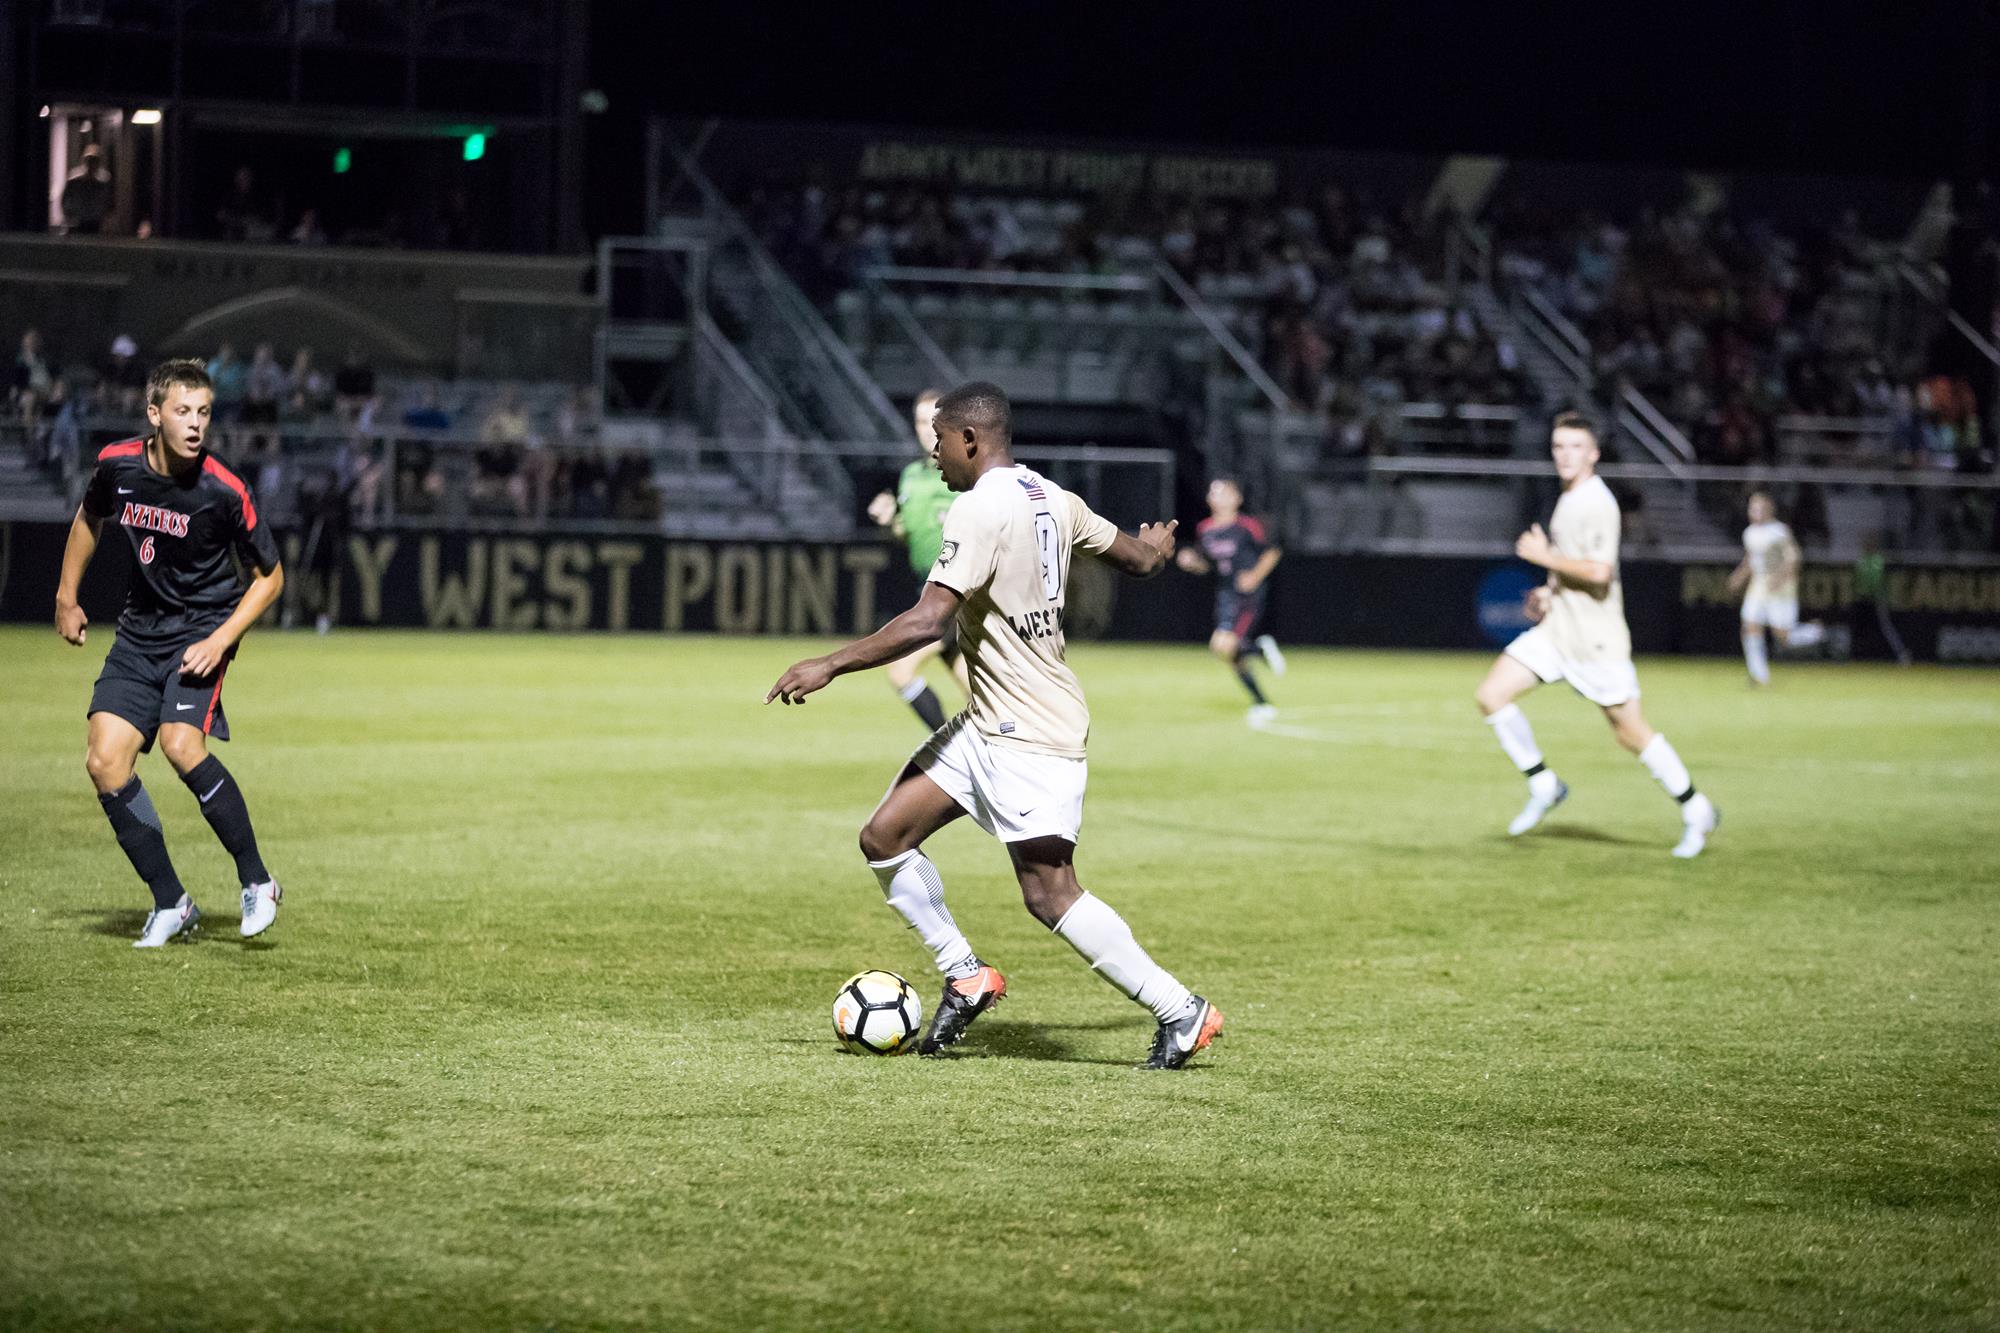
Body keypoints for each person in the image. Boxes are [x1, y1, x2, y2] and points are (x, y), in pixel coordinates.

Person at [767, 381, 1224, 1069]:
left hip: (1032, 732)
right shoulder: (1052, 496)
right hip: (988, 722)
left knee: (1049, 893)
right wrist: (1157, 550)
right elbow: (1134, 557)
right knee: (884, 836)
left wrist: (829, 663)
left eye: (941, 443)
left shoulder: (980, 509)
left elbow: (928, 619)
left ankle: (1180, 1009)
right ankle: (966, 973)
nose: (936, 456)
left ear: (971, 440)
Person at [53, 358, 288, 946]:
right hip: (139, 633)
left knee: (184, 746)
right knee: (105, 762)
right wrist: (65, 596)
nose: (195, 424)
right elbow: (89, 517)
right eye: (183, 411)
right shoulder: (117, 465)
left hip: (201, 632)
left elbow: (271, 578)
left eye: (204, 412)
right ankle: (171, 902)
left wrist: (220, 639)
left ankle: (258, 882)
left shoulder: (224, 490)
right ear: (154, 415)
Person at [1472, 411, 1720, 858]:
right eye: (1558, 447)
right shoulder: (1568, 498)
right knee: (1491, 694)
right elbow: (1574, 565)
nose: (1565, 456)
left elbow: (1601, 573)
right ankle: (1545, 785)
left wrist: (1547, 559)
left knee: (1629, 732)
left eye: (1575, 447)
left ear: (1594, 454)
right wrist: (1546, 594)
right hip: (1557, 632)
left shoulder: (1597, 502)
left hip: (1595, 641)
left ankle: (1695, 807)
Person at [865, 388, 969, 729]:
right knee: (980, 695)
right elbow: (909, 533)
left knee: (900, 671)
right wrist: (891, 519)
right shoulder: (911, 474)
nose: (926, 428)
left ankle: (948, 752)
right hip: (928, 590)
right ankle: (1011, 756)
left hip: (959, 595)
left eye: (934, 421)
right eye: (920, 421)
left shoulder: (965, 473)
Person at [1174, 476, 1286, 723]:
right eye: (1214, 493)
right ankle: (1261, 693)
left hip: (1247, 596)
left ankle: (1261, 662)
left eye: (1224, 493)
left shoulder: (1247, 526)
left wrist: (1255, 576)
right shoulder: (1205, 529)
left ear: (1237, 498)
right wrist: (1192, 563)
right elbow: (1208, 565)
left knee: (1223, 646)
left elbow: (1272, 552)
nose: (1219, 498)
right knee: (1230, 654)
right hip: (1225, 595)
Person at [1727, 490, 1825, 686]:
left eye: (1760, 507)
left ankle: (1815, 632)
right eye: (1753, 507)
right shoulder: (1750, 533)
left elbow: (1793, 558)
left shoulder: (1779, 531)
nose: (1756, 511)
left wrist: (1781, 578)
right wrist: (1738, 576)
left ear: (1769, 509)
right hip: (1759, 585)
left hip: (1781, 589)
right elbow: (1750, 560)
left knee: (1783, 636)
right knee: (1750, 625)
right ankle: (1759, 675)